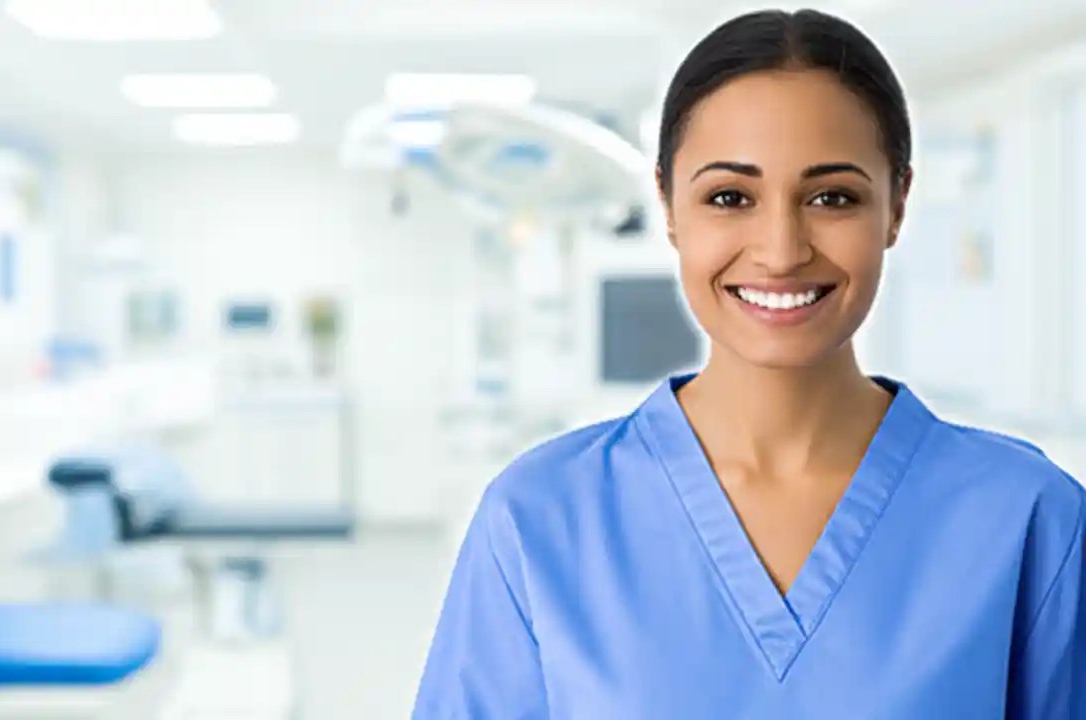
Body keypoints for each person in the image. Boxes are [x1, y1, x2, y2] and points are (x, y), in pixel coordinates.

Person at [412, 8, 1085, 719]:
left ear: (897, 206)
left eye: (833, 197)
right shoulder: (539, 519)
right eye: (730, 197)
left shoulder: (1027, 520)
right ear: (669, 205)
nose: (780, 248)